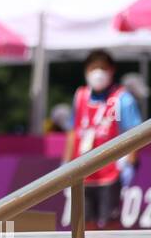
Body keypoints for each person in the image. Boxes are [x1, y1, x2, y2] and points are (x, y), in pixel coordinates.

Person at [61, 50, 142, 228]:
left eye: (102, 68)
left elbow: (135, 131)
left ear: (111, 70)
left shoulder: (121, 99)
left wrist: (130, 163)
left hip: (110, 172)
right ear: (86, 71)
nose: (98, 73)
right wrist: (66, 163)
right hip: (82, 171)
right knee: (83, 223)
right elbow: (73, 131)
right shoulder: (80, 96)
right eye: (93, 68)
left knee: (110, 223)